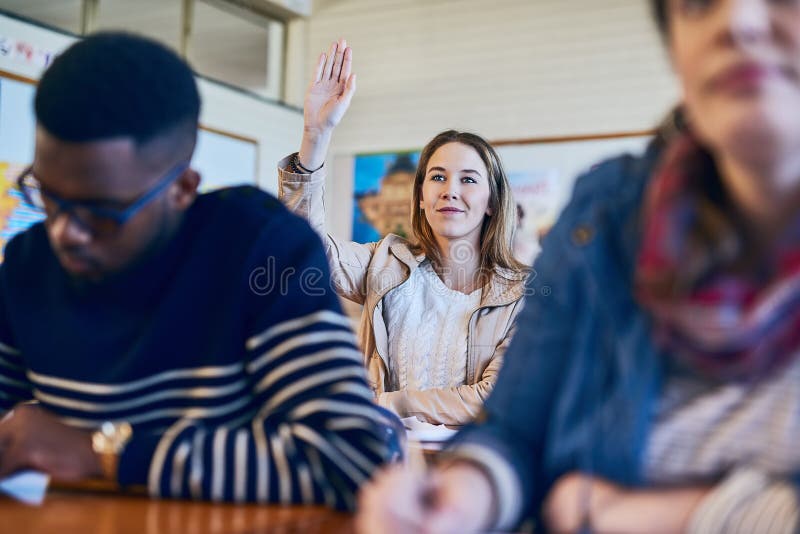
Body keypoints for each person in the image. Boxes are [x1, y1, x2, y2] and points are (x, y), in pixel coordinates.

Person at [356, 0, 800, 532]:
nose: (738, 21)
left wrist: (627, 512)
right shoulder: (607, 211)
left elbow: (487, 401)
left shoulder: (516, 286)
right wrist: (463, 497)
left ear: (494, 201)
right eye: (699, 3)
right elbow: (518, 428)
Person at [0, 31, 400, 509]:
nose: (66, 233)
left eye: (102, 212)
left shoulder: (262, 252)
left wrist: (103, 452)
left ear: (183, 188)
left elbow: (351, 461)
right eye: (48, 196)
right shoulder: (29, 265)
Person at [278, 40, 528, 426]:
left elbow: (497, 397)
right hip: (385, 464)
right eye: (438, 177)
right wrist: (316, 134)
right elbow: (303, 248)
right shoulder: (385, 264)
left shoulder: (519, 294)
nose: (450, 190)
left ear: (492, 202)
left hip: (473, 474)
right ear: (422, 198)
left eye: (468, 179)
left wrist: (394, 404)